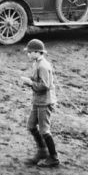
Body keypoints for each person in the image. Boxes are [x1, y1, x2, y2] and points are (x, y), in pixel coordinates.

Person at [22, 39, 60, 168]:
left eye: (30, 52)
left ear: (37, 52)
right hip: (38, 100)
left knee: (44, 131)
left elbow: (45, 85)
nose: (28, 54)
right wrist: (30, 80)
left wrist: (30, 83)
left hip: (45, 102)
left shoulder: (43, 66)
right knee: (31, 126)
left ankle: (54, 157)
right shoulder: (36, 63)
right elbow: (37, 80)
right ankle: (42, 151)